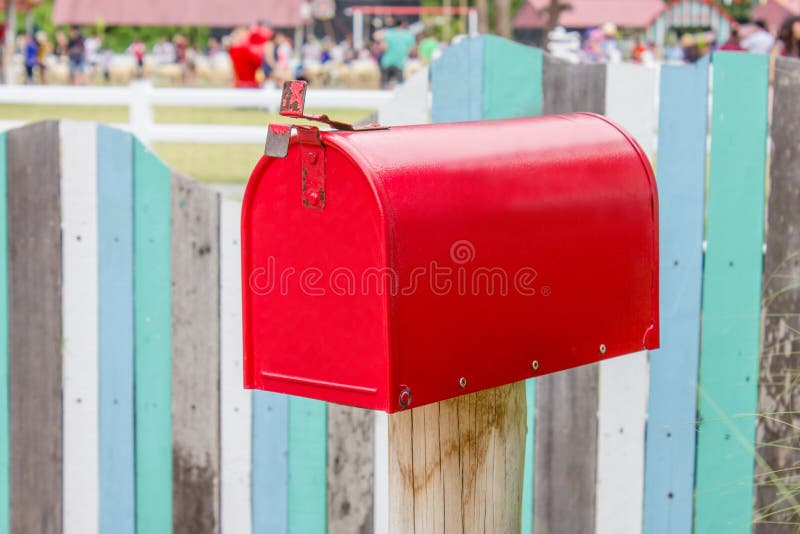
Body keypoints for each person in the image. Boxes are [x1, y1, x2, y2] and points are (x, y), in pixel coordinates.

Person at [378, 19, 415, 87]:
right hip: (401, 63)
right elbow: (411, 50)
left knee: (384, 86)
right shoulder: (408, 35)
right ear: (403, 25)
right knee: (400, 86)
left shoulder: (388, 34)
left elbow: (383, 47)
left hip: (387, 62)